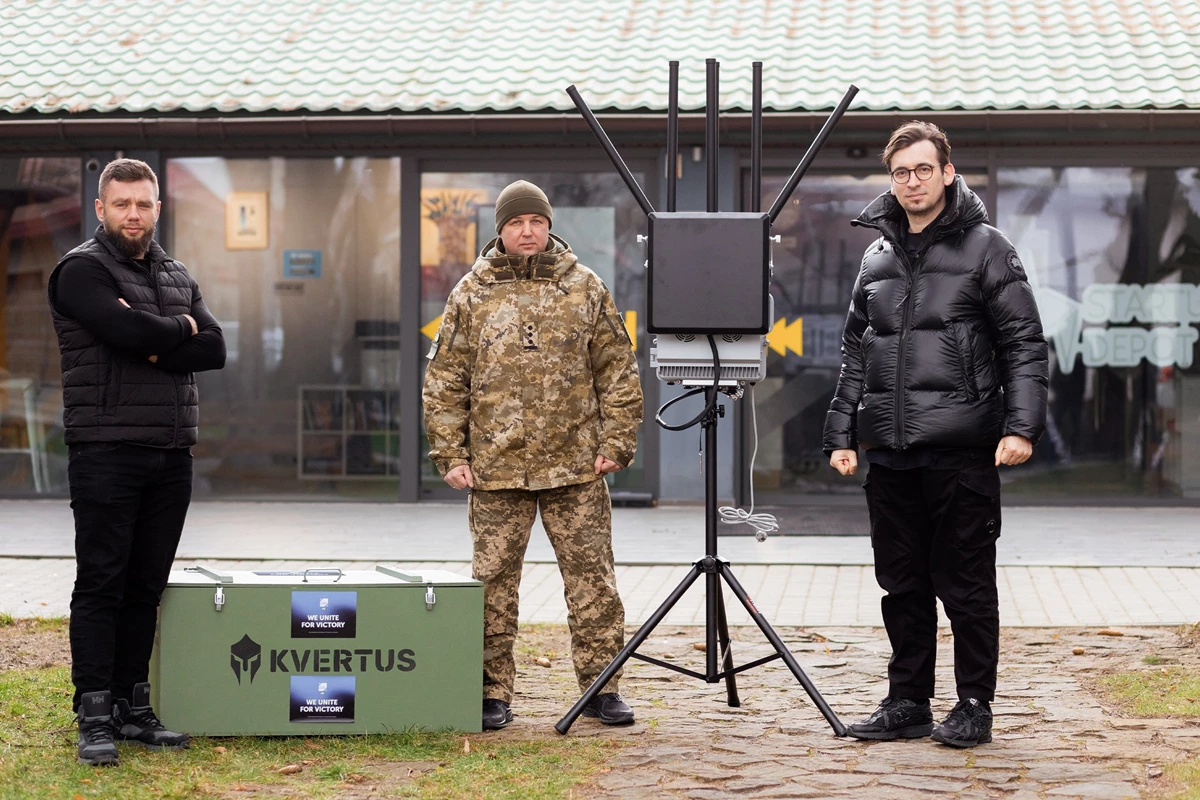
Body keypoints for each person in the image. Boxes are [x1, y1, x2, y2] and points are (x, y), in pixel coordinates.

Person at [824, 122, 1048, 748]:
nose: (912, 182)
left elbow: (1024, 344)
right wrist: (842, 431)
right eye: (901, 172)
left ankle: (974, 704)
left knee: (967, 584)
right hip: (890, 451)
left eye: (924, 170)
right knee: (901, 583)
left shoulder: (987, 248)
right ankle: (908, 701)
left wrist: (1022, 426)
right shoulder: (877, 255)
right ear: (890, 179)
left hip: (961, 447)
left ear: (948, 172)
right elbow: (854, 353)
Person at [423, 180, 643, 730]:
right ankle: (491, 692)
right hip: (496, 470)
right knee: (492, 588)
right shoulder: (471, 293)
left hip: (576, 467)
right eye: (517, 222)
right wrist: (450, 452)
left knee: (593, 582)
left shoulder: (584, 287)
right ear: (499, 228)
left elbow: (617, 368)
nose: (527, 231)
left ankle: (601, 687)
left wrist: (616, 442)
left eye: (536, 222)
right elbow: (445, 379)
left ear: (549, 227)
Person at [47, 158, 226, 765]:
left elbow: (216, 348)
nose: (133, 214)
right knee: (102, 582)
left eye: (143, 204)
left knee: (146, 587)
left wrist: (157, 334)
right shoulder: (80, 271)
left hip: (171, 451)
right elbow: (127, 336)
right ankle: (93, 711)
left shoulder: (174, 271)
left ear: (157, 207)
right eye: (121, 204)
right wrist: (176, 331)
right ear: (101, 209)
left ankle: (132, 705)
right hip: (105, 449)